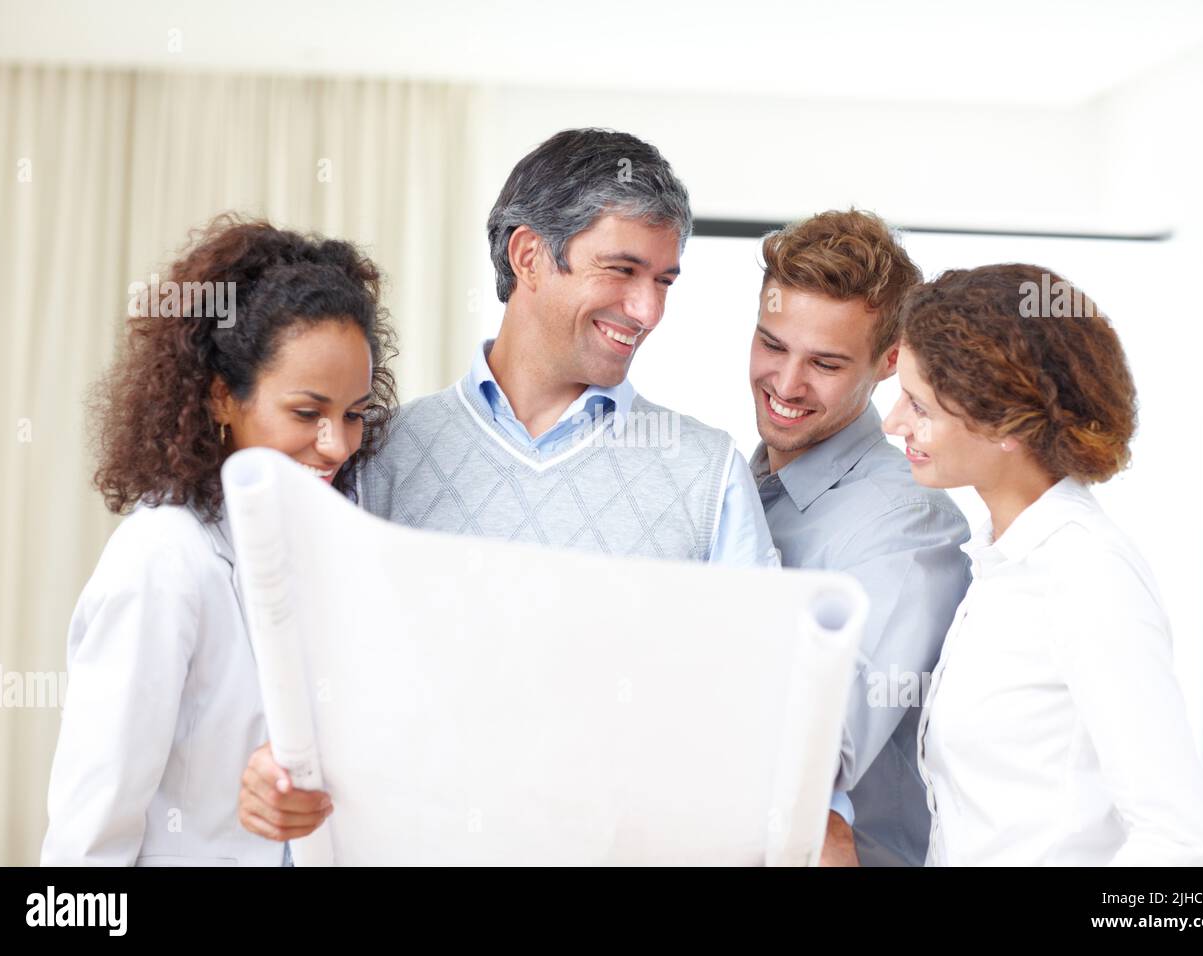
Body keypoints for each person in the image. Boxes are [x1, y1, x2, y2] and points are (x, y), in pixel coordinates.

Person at [239, 128, 782, 844]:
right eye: (622, 270)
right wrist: (269, 774)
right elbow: (313, 685)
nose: (648, 310)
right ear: (529, 255)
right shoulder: (381, 455)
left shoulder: (706, 473)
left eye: (664, 281)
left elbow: (762, 711)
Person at [41, 216, 397, 865]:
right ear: (220, 400)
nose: (338, 444)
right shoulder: (164, 558)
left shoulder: (321, 548)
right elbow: (90, 833)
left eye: (353, 414)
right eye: (307, 412)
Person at [884, 263, 1203, 865]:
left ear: (1004, 421)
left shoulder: (1088, 575)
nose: (893, 423)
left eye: (919, 405)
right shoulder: (1001, 561)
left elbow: (1181, 847)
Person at [747, 210, 970, 866]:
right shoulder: (739, 486)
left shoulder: (906, 525)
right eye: (772, 344)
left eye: (826, 363)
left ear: (890, 360)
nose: (787, 385)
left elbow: (823, 754)